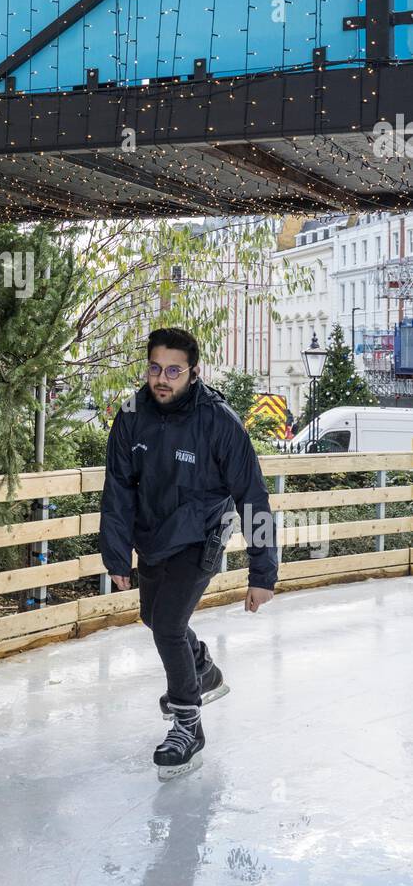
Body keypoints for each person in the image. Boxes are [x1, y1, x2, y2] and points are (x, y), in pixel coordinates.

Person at [98, 327, 277, 781]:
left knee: (169, 627)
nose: (162, 378)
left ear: (194, 373)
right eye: (155, 368)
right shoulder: (131, 413)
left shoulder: (219, 421)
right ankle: (203, 670)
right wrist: (116, 555)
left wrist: (262, 573)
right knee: (153, 618)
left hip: (199, 537)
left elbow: (252, 497)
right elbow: (117, 488)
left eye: (173, 370)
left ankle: (187, 724)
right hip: (152, 537)